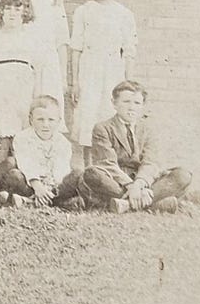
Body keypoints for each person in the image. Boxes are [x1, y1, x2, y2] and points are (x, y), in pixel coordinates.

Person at [78, 81, 192, 213]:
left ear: (143, 106)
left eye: (137, 103)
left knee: (183, 175)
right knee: (91, 174)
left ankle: (125, 204)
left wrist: (139, 184)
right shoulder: (102, 128)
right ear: (114, 103)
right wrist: (131, 186)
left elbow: (151, 162)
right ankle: (155, 203)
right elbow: (107, 163)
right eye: (126, 102)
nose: (131, 108)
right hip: (117, 180)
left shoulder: (148, 129)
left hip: (142, 181)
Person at [69, 0, 137, 169]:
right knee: (89, 117)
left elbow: (129, 52)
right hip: (89, 70)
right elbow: (76, 48)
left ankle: (109, 169)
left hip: (113, 71)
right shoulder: (84, 11)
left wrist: (128, 86)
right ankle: (90, 170)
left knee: (110, 116)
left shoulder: (124, 14)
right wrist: (75, 82)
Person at [19, 0, 69, 128]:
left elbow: (62, 42)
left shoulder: (53, 2)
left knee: (47, 113)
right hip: (22, 64)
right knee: (23, 113)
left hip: (48, 66)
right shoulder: (15, 0)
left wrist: (63, 76)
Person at [0, 0, 44, 141]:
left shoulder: (31, 37)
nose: (12, 13)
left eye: (17, 9)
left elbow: (38, 70)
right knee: (1, 126)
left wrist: (37, 97)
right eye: (8, 8)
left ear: (25, 12)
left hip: (23, 85)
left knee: (22, 125)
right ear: (1, 11)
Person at [12, 96, 81, 208]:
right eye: (40, 119)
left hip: (54, 186)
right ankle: (55, 202)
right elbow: (26, 165)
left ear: (59, 120)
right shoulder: (22, 138)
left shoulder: (63, 142)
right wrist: (38, 187)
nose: (45, 124)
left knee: (77, 174)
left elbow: (61, 170)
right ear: (31, 119)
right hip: (32, 184)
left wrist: (48, 190)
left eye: (51, 120)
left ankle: (33, 202)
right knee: (14, 176)